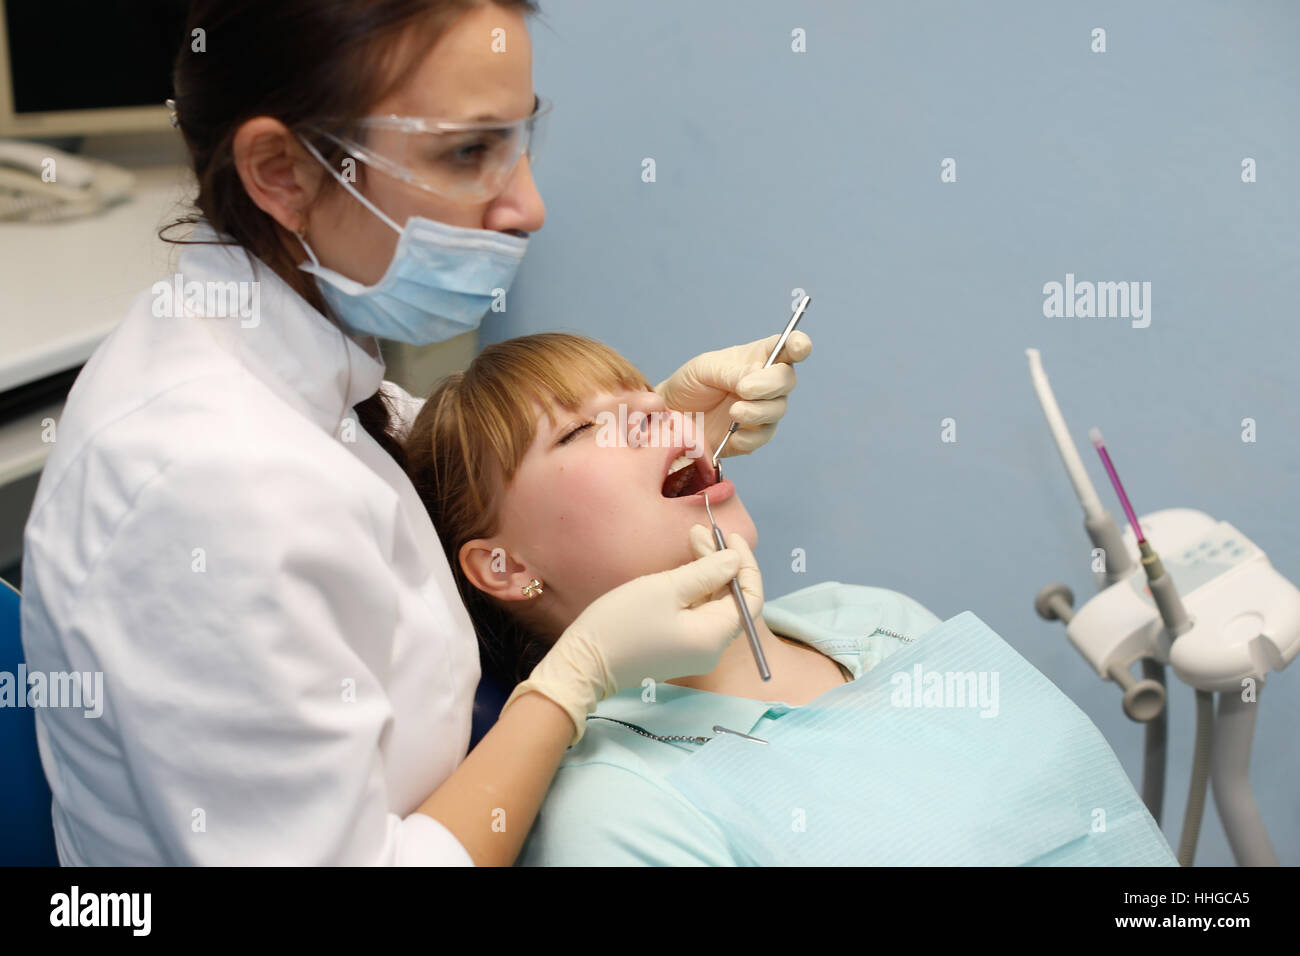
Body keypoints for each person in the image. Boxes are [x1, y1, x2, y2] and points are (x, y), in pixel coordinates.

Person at [18, 0, 810, 866]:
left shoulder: (293, 347)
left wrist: (645, 422)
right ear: (282, 171)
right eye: (468, 152)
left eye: (518, 141)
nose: (528, 206)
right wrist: (569, 681)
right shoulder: (205, 487)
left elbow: (408, 455)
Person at [403, 333, 1182, 867]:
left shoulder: (871, 617)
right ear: (503, 566)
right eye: (580, 430)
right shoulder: (617, 809)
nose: (653, 413)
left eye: (643, 396)